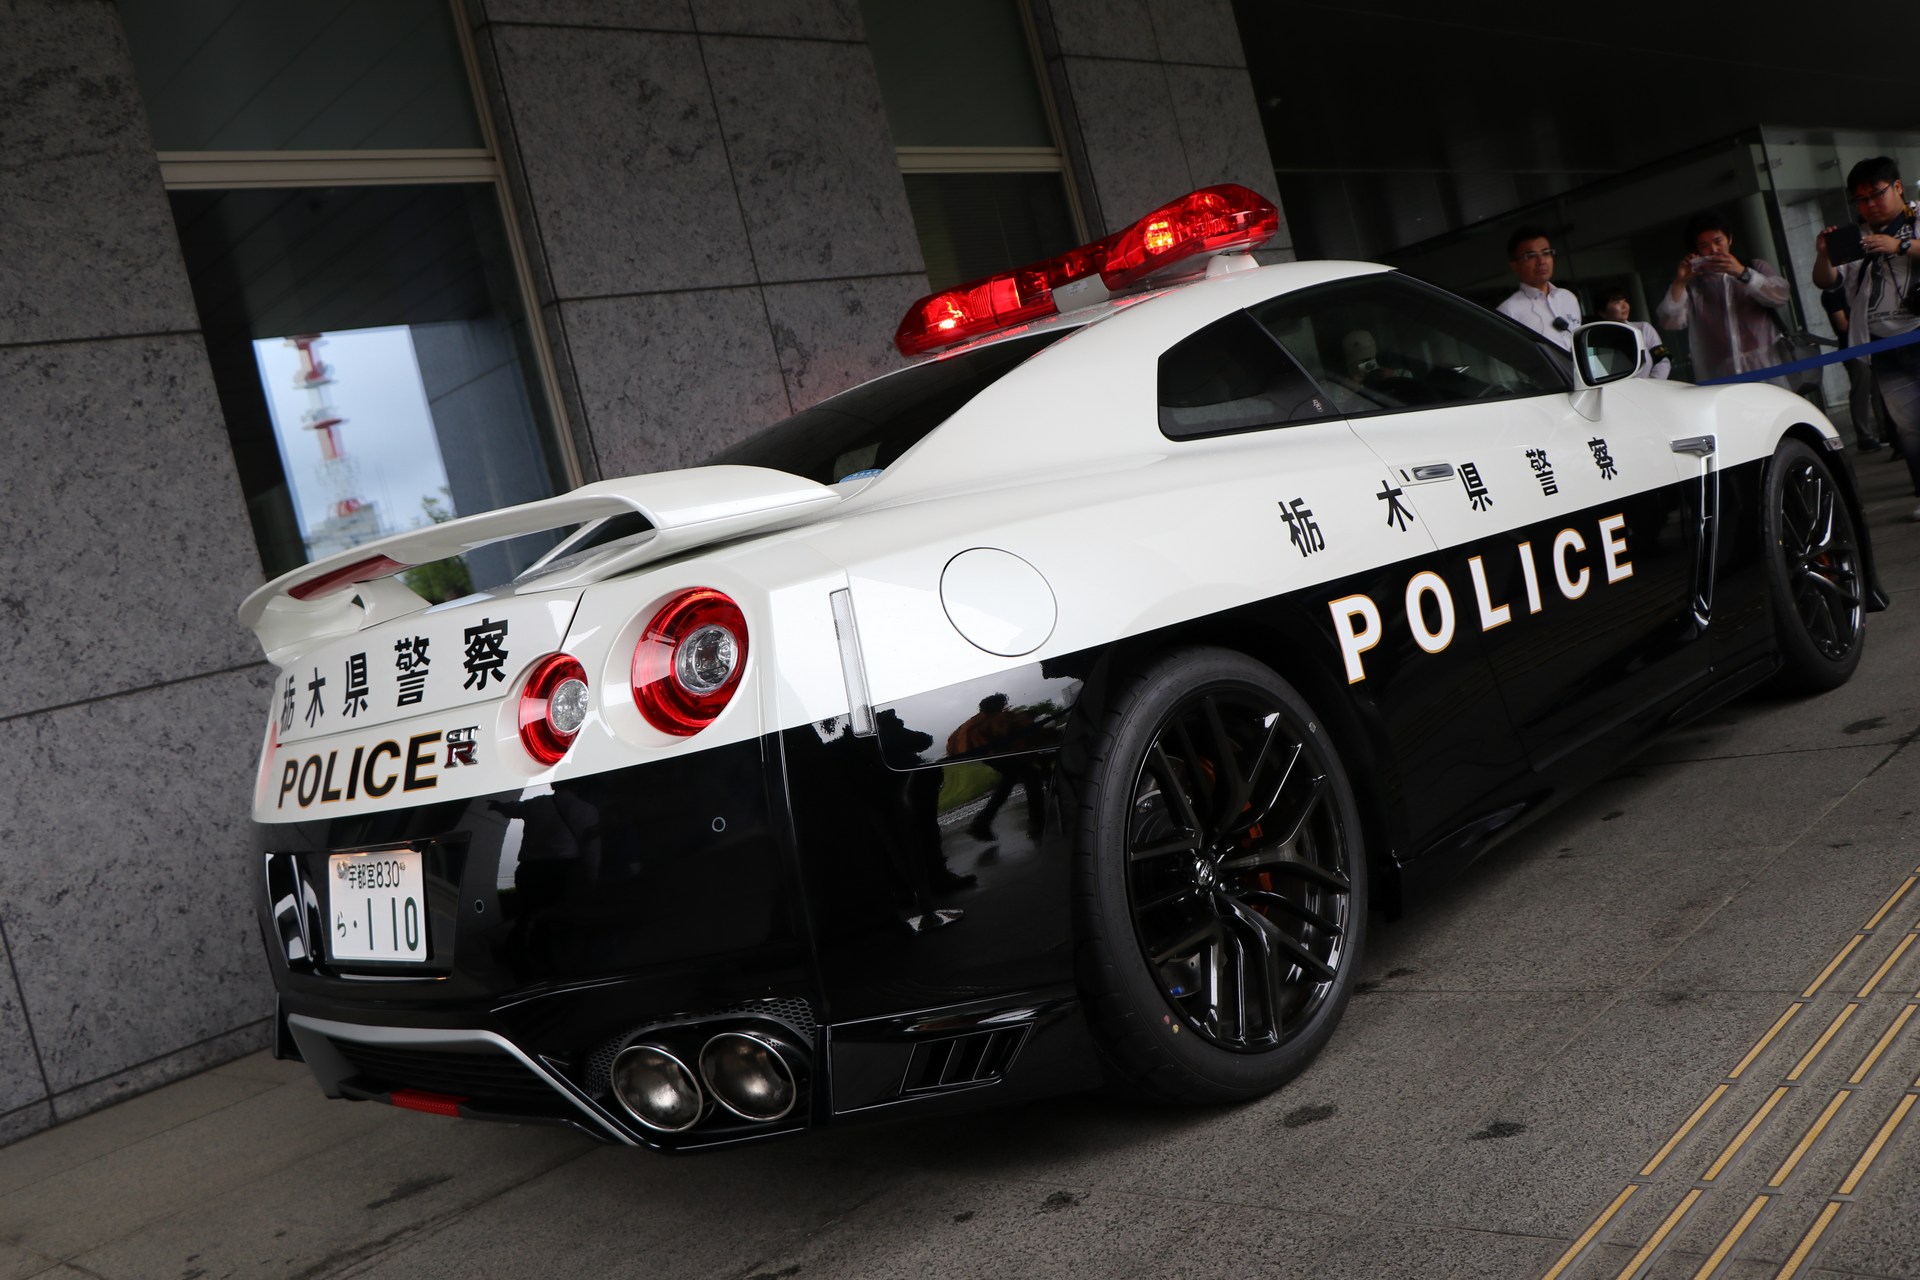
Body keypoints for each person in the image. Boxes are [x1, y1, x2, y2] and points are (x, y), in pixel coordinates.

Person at [1816, 156, 1920, 517]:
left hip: (1916, 330)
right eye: (1861, 199)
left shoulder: (1917, 218)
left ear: (1897, 187)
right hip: (1881, 341)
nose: (1870, 204)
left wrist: (1901, 247)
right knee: (1908, 426)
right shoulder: (1854, 237)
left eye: (1876, 194)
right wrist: (1824, 256)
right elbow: (1827, 282)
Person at [1656, 212, 1791, 383]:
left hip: (1767, 368)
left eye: (1718, 241)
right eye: (1704, 245)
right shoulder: (1694, 285)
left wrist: (1743, 273)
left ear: (1729, 239)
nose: (1713, 249)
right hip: (1721, 376)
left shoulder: (1754, 266)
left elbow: (1780, 296)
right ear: (1696, 251)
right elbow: (1670, 321)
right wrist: (1680, 281)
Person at [1820, 280, 1888, 453]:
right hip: (1853, 348)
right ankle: (1865, 436)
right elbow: (1842, 324)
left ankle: (1884, 432)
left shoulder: (1857, 286)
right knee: (1862, 391)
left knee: (1879, 390)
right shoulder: (1832, 293)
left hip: (1867, 344)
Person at [1497, 227, 1581, 350]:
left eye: (1546, 253)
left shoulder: (1568, 297)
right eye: (1531, 256)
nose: (1541, 261)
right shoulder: (1508, 312)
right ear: (1515, 266)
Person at [1597, 289, 1671, 379]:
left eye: (1624, 301)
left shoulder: (1643, 328)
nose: (1624, 306)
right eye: (1617, 302)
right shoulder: (1599, 339)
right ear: (1603, 313)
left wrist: (1653, 385)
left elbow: (1662, 360)